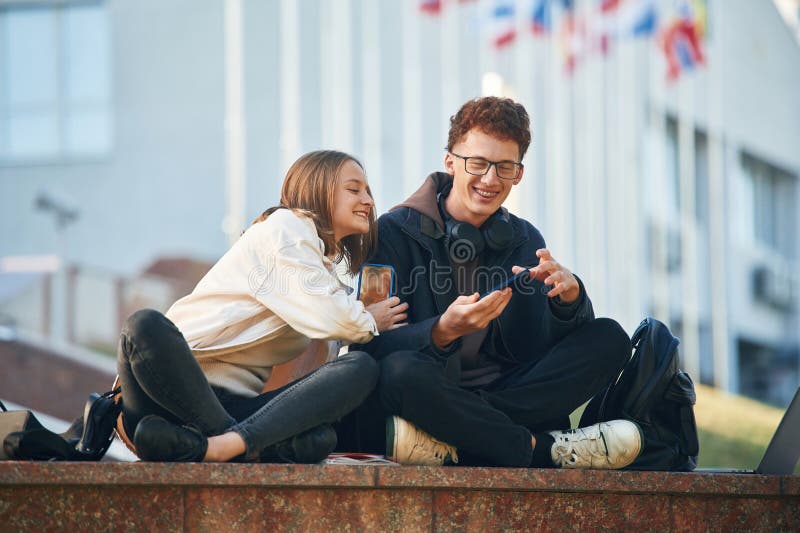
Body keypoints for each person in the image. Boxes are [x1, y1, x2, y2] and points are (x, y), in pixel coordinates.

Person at [340, 97, 642, 469]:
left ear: (519, 173)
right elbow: (367, 348)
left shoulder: (525, 239)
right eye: (478, 164)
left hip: (495, 397)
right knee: (399, 372)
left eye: (504, 167)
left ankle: (457, 440)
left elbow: (552, 347)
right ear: (450, 162)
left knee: (610, 338)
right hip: (426, 389)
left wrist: (569, 303)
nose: (490, 179)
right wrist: (440, 331)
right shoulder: (390, 233)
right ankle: (537, 449)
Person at [117, 150, 408, 463]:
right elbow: (331, 316)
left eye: (368, 192)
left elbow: (317, 365)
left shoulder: (320, 270)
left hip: (230, 408)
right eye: (354, 190)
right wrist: (369, 319)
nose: (368, 200)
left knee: (345, 393)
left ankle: (205, 446)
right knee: (143, 325)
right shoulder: (285, 229)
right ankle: (235, 446)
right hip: (167, 391)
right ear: (319, 191)